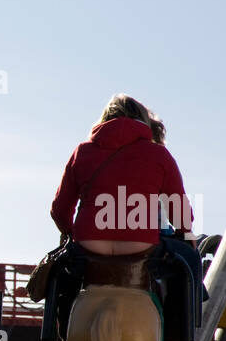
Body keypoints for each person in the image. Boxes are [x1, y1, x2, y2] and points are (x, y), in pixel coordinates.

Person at [51, 94, 194, 253]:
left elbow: (60, 209)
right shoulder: (159, 154)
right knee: (190, 256)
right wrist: (184, 230)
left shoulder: (82, 152)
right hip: (140, 242)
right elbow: (177, 205)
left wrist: (68, 231)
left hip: (89, 243)